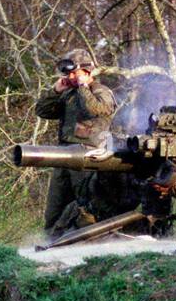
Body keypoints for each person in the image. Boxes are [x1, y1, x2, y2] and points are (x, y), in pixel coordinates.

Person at [34, 49, 118, 239]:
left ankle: (91, 244)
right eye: (68, 73)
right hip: (64, 156)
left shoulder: (101, 92)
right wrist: (56, 91)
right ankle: (51, 242)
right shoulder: (69, 94)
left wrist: (82, 87)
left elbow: (95, 109)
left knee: (85, 207)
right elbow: (42, 111)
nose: (70, 77)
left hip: (88, 158)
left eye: (74, 73)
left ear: (86, 71)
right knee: (55, 207)